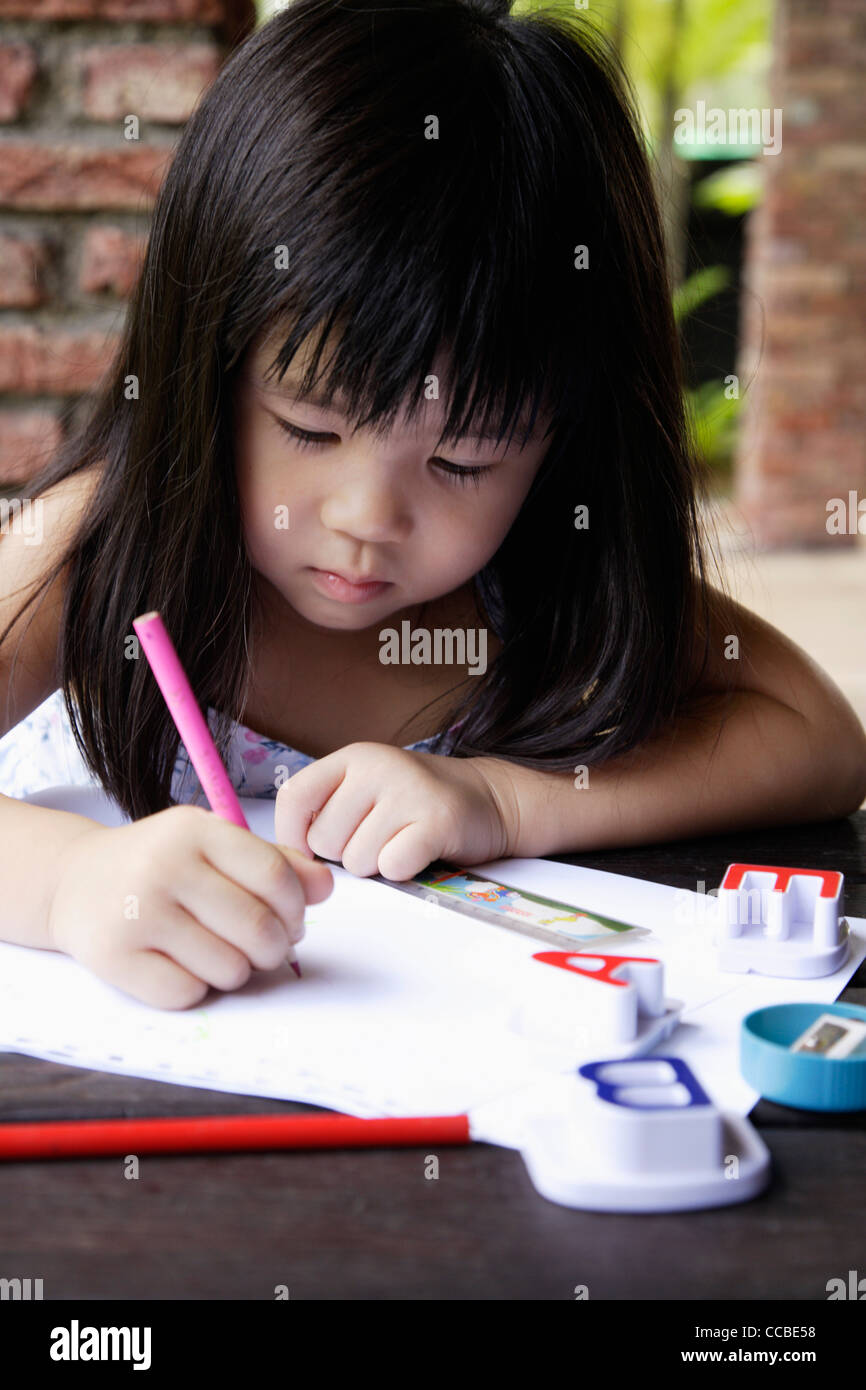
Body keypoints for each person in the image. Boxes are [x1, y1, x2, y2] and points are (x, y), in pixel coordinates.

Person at [1, 0, 863, 1008]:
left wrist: (498, 800)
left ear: (560, 445)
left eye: (462, 460)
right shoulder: (96, 546)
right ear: (206, 370)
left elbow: (817, 738)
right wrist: (69, 884)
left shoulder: (540, 573)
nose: (367, 514)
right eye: (308, 429)